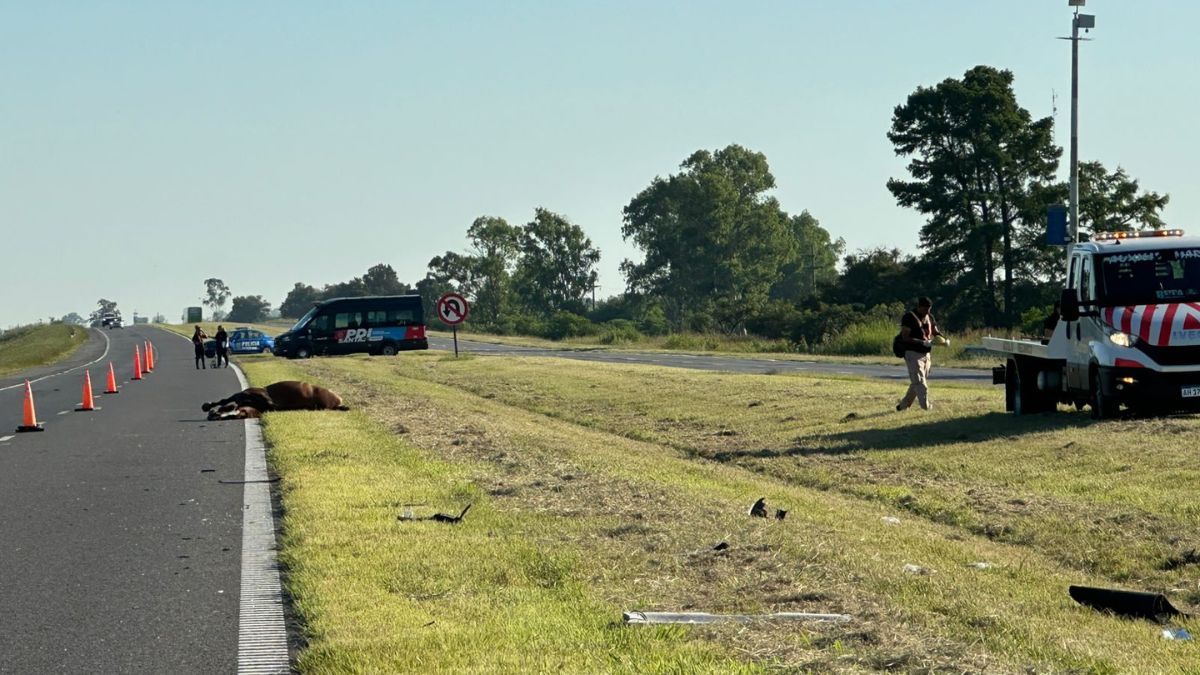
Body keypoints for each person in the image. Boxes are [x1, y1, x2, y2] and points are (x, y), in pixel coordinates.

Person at [896, 297, 946, 412]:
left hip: (926, 354)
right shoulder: (909, 317)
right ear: (919, 307)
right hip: (912, 353)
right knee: (920, 383)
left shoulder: (930, 317)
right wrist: (921, 342)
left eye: (929, 309)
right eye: (925, 309)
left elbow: (935, 332)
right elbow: (905, 337)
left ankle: (903, 406)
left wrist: (944, 339)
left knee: (917, 382)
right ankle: (926, 408)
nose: (927, 312)